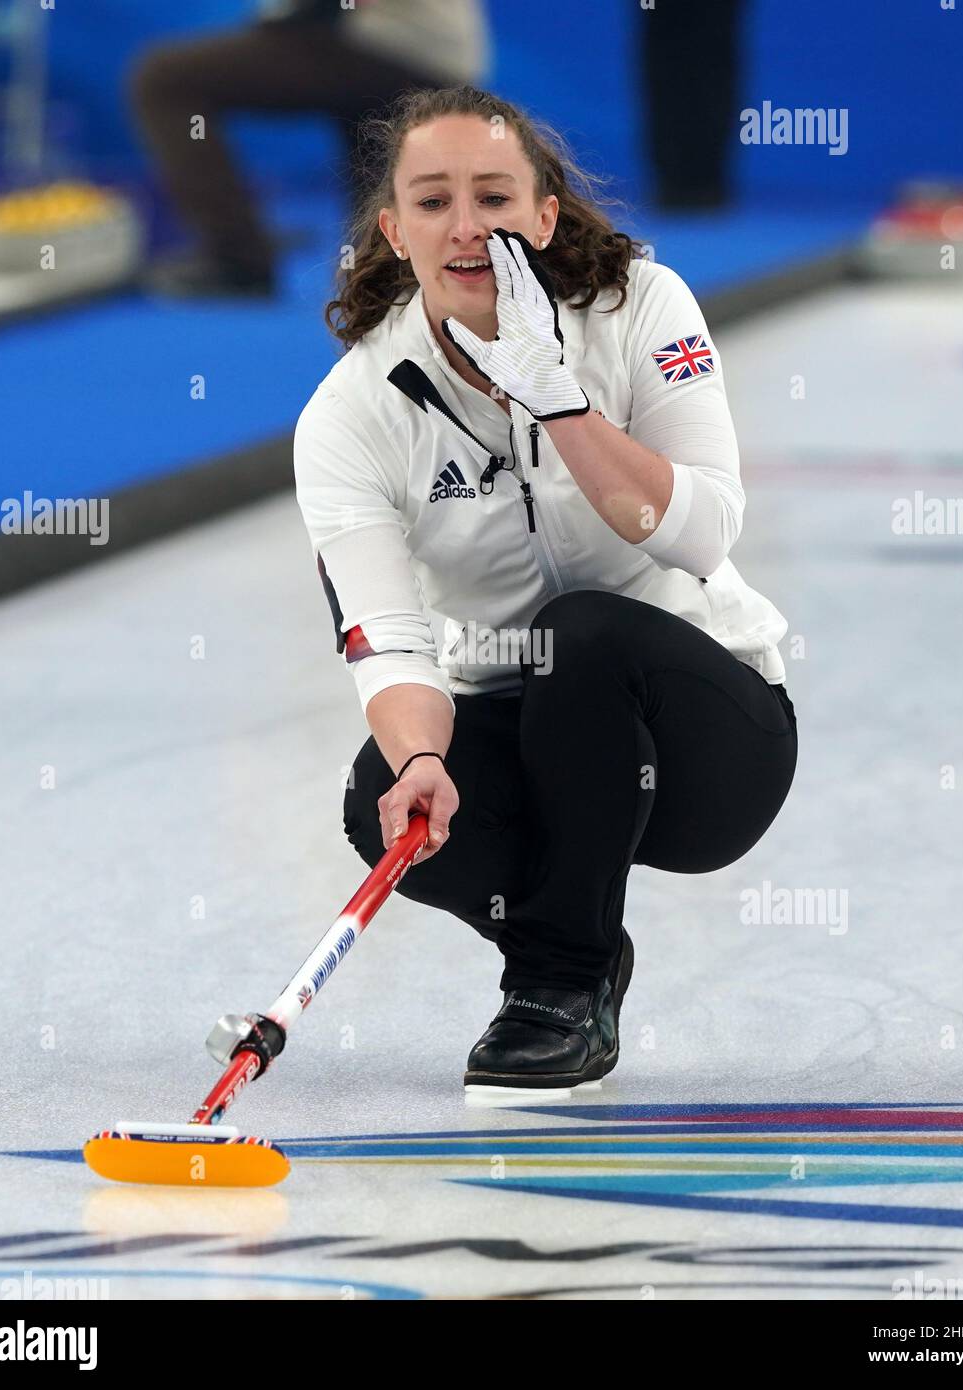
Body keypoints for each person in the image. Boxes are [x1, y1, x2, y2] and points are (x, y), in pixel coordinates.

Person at [293, 85, 798, 1095]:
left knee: (581, 634)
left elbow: (700, 531)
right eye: (433, 202)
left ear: (545, 214)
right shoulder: (351, 415)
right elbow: (388, 640)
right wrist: (423, 757)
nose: (467, 225)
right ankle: (575, 961)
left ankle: (557, 979)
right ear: (394, 232)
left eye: (494, 195)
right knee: (376, 796)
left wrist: (559, 398)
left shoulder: (643, 305)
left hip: (707, 753)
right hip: (529, 737)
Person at [126, 0, 489, 296]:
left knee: (165, 81)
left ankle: (238, 257)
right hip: (420, 50)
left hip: (383, 42)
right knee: (376, 263)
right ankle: (392, 269)